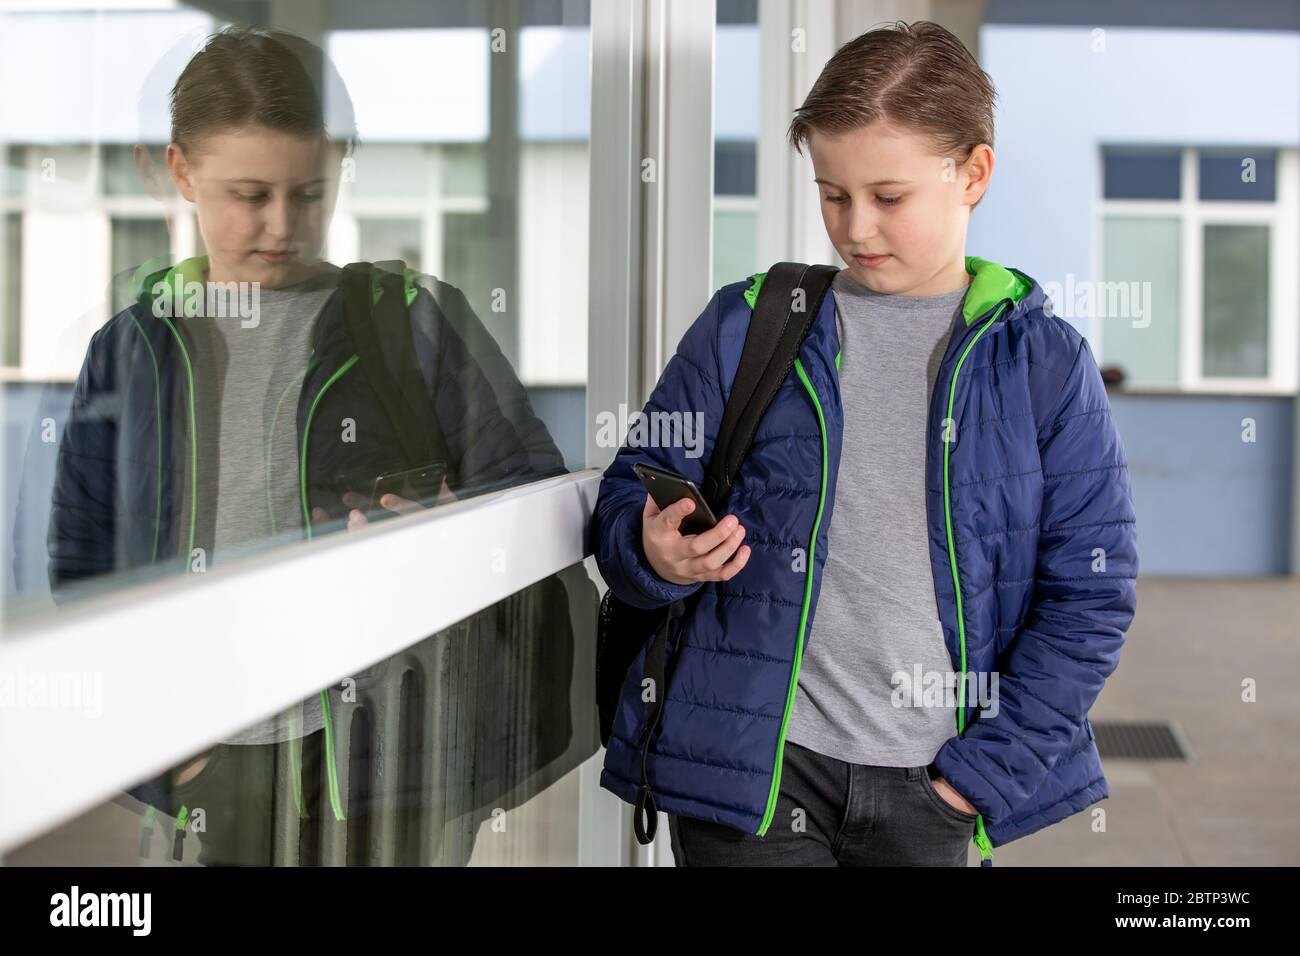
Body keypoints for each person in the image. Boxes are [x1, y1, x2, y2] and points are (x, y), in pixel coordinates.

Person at [592, 20, 1138, 866]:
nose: (855, 227)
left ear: (974, 174)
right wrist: (652, 551)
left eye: (889, 197)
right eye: (832, 193)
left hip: (937, 785)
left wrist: (976, 783)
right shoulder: (746, 327)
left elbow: (1091, 597)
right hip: (756, 780)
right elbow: (631, 492)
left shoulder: (1043, 364)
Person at [39, 24, 566, 864]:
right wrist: (154, 753)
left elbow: (533, 496)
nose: (284, 224)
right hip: (212, 758)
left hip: (391, 756)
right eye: (250, 194)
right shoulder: (129, 349)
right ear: (180, 172)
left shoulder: (414, 325)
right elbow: (85, 562)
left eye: (310, 192)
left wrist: (448, 525)